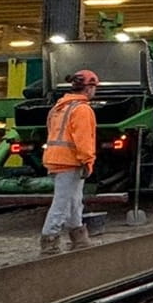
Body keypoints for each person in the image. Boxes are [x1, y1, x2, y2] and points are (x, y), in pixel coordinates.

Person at [39, 69, 98, 254]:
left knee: (74, 200)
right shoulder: (82, 110)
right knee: (62, 203)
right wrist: (88, 161)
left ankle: (79, 237)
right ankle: (49, 240)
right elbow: (83, 139)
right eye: (94, 87)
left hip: (57, 158)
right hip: (70, 161)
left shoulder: (59, 107)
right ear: (88, 88)